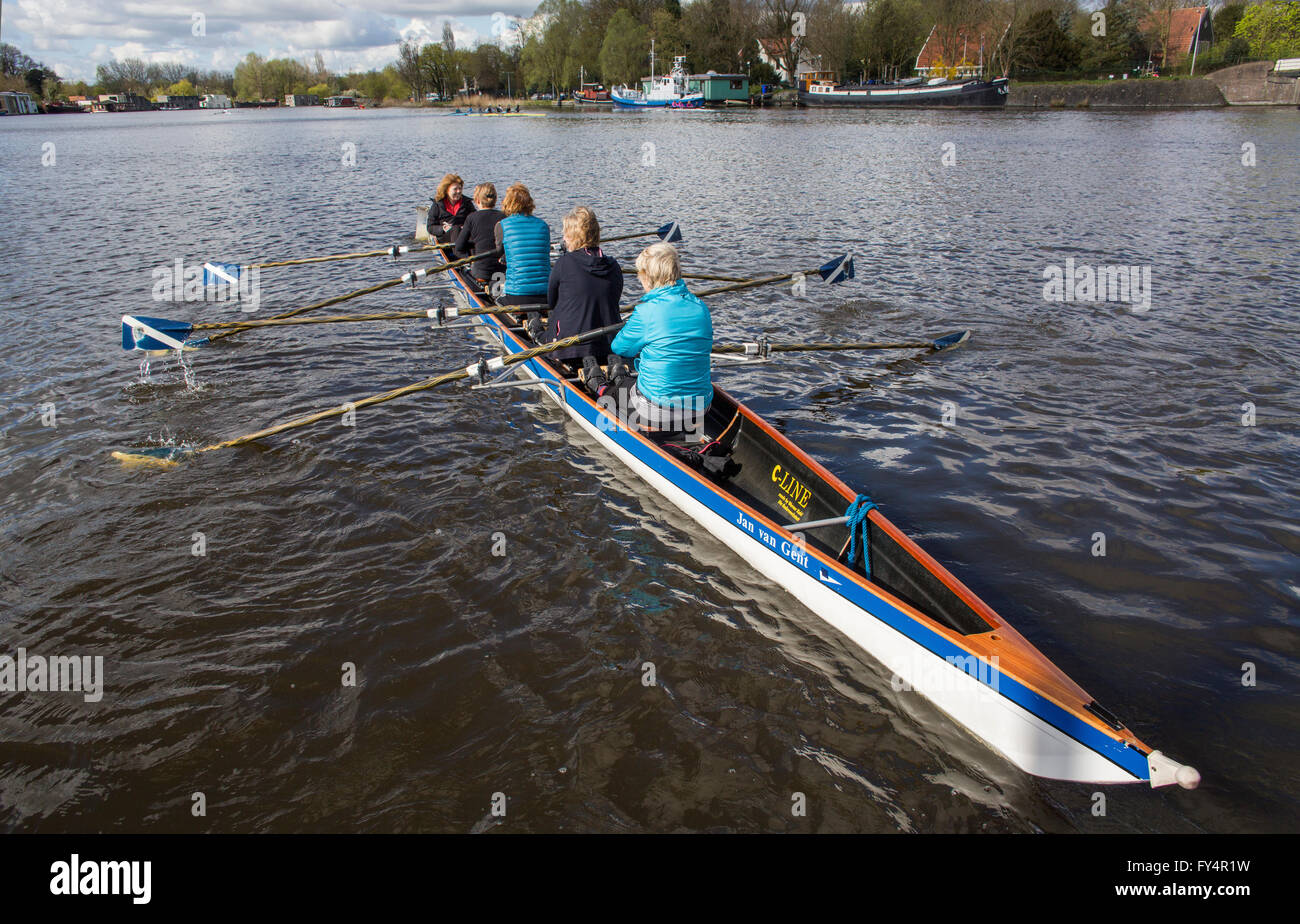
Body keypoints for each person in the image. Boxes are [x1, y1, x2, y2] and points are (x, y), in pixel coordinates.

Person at [609, 242, 713, 436]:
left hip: (658, 412)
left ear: (648, 277)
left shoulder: (646, 312)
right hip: (701, 407)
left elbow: (619, 348)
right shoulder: (701, 308)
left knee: (614, 388)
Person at [545, 206, 623, 389]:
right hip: (609, 345)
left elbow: (551, 302)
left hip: (570, 348)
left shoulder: (563, 263)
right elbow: (615, 299)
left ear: (574, 237)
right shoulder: (614, 265)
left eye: (566, 234)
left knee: (548, 327)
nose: (563, 238)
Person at [494, 183, 550, 308]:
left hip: (517, 294)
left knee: (496, 299)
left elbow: (499, 252)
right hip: (546, 294)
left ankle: (518, 319)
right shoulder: (543, 225)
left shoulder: (502, 225)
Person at [453, 183, 505, 292]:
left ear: (477, 201)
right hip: (502, 271)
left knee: (464, 270)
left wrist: (470, 260)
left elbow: (458, 248)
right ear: (495, 200)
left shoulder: (472, 218)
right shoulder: (504, 217)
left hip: (481, 273)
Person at [427, 173, 475, 244]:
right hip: (445, 237)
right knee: (455, 229)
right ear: (447, 190)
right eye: (455, 189)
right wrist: (442, 228)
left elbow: (475, 220)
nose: (458, 191)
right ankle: (459, 252)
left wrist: (466, 227)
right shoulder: (437, 204)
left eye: (460, 188)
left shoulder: (467, 203)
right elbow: (430, 227)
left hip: (463, 235)